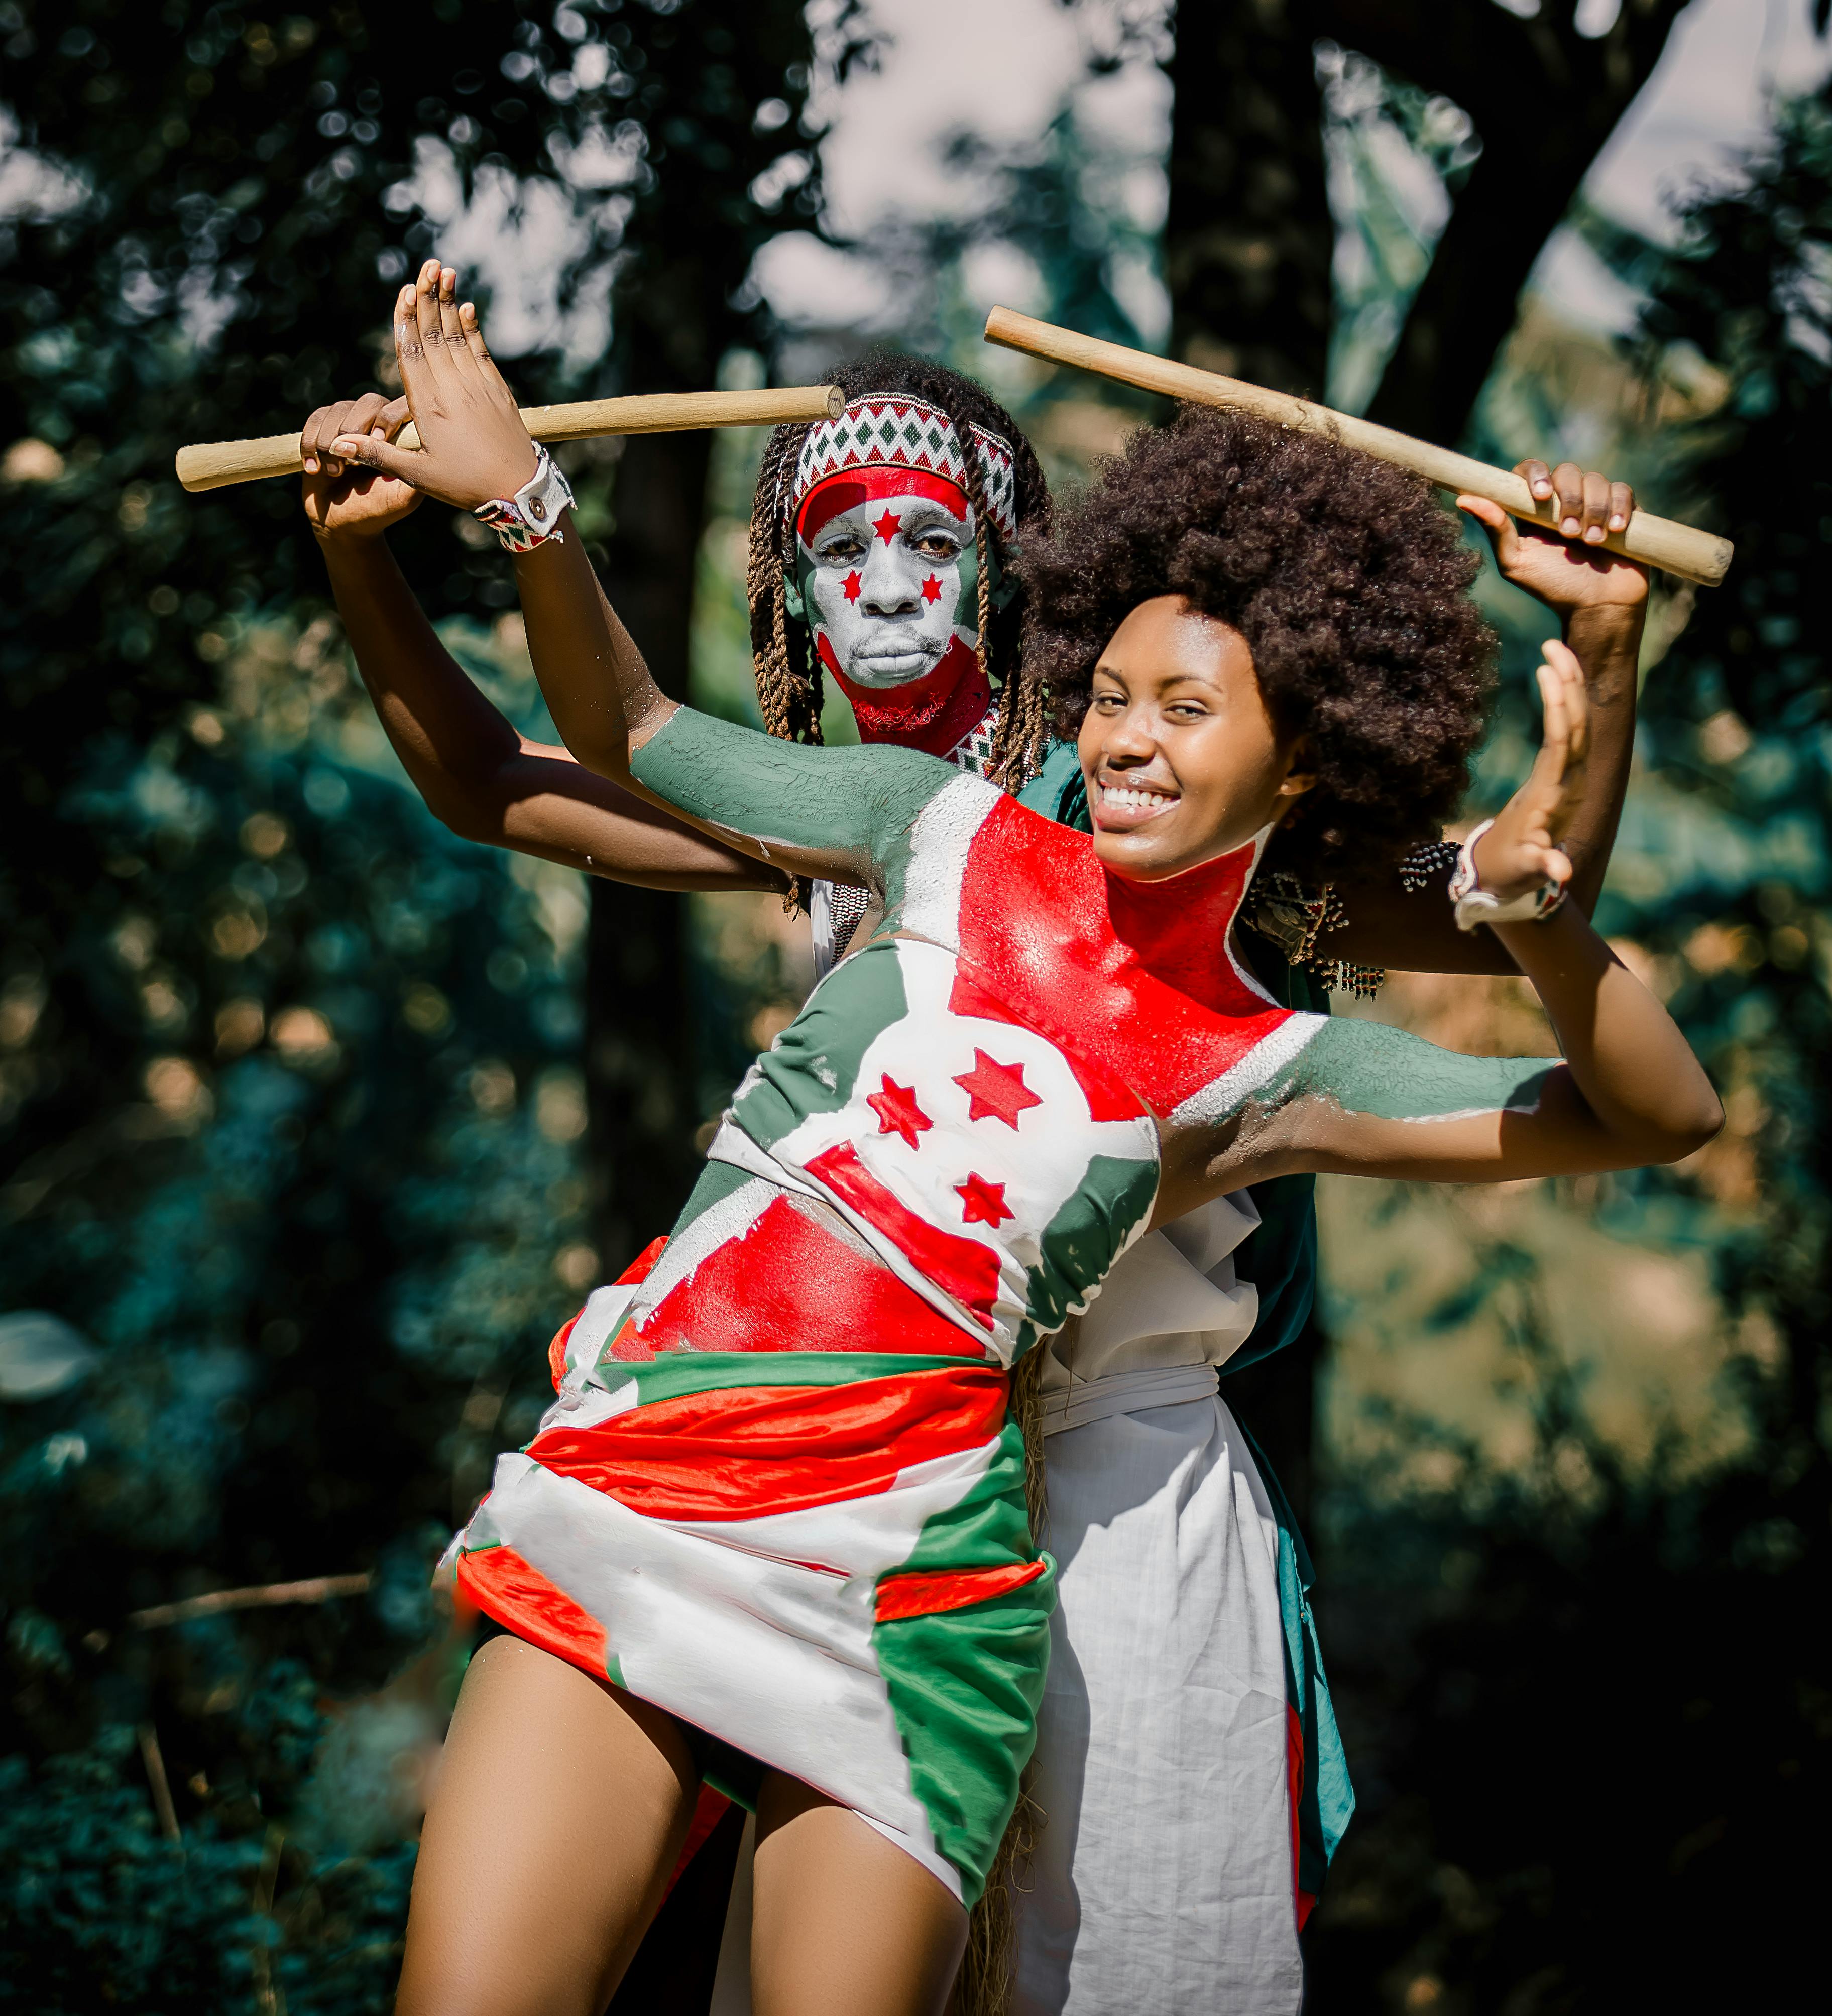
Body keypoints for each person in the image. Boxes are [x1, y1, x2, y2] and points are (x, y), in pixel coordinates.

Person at [310, 270, 1717, 2016]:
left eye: (928, 539)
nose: (885, 585)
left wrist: (1597, 680)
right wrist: (437, 533)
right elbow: (563, 757)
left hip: (1028, 1510)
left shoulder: (1262, 992)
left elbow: (1528, 918)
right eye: (837, 546)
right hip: (677, 1466)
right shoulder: (906, 823)